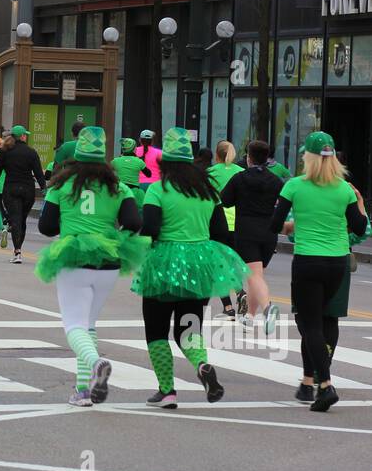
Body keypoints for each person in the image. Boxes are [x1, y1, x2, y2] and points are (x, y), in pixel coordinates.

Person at [132, 127, 247, 408]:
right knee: (189, 326)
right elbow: (220, 232)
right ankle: (201, 364)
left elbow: (151, 227)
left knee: (157, 329)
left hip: (164, 261)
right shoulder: (207, 192)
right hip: (199, 263)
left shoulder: (159, 189)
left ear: (165, 162)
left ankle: (167, 390)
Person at [37, 127, 144, 406]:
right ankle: (83, 390)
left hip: (74, 257)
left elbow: (46, 227)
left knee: (73, 325)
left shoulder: (61, 186)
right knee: (89, 324)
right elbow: (134, 223)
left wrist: (71, 223)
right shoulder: (117, 187)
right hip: (108, 259)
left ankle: (96, 364)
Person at [270, 131, 367, 412]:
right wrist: (360, 204)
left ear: (308, 158)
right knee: (327, 320)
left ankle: (324, 385)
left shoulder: (294, 186)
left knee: (309, 324)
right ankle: (312, 380)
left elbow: (276, 224)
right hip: (337, 262)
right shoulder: (344, 189)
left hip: (308, 260)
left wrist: (293, 226)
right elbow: (360, 228)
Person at [219, 140, 284, 335]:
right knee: (257, 275)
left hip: (247, 231)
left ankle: (267, 309)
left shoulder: (240, 178)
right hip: (269, 232)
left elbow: (225, 200)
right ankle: (249, 316)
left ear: (248, 157)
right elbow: (282, 204)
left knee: (253, 275)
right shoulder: (276, 181)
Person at [0, 124, 46, 264]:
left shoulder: (5, 151)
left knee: (15, 219)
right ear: (23, 136)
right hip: (28, 190)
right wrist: (43, 187)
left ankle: (17, 252)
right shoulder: (31, 152)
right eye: (26, 134)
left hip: (11, 189)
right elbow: (38, 172)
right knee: (22, 220)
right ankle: (18, 249)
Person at [207, 140, 244, 320]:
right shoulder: (241, 172)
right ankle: (240, 291)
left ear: (217, 154)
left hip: (217, 223)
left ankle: (228, 307)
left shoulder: (210, 173)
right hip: (239, 223)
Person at [111, 138, 150, 210]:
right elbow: (149, 174)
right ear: (134, 149)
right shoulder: (139, 161)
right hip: (134, 193)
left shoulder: (116, 161)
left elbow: (108, 171)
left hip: (120, 191)